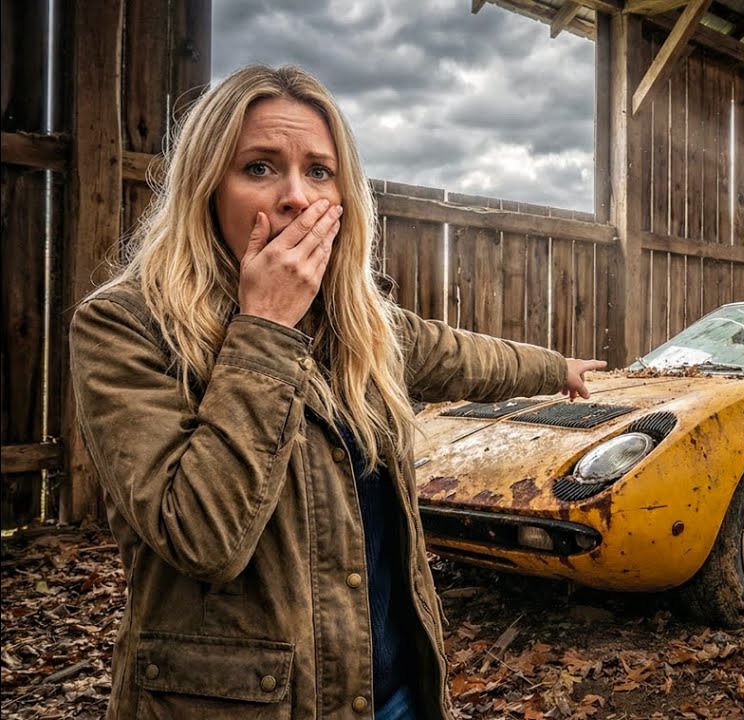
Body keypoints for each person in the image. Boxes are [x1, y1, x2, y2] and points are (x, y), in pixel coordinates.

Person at [69, 64, 606, 720]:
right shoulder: (124, 325)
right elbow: (201, 535)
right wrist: (263, 327)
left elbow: (461, 355)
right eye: (260, 167)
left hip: (396, 693)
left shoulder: (351, 320)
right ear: (206, 187)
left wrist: (557, 368)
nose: (296, 195)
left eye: (319, 171)